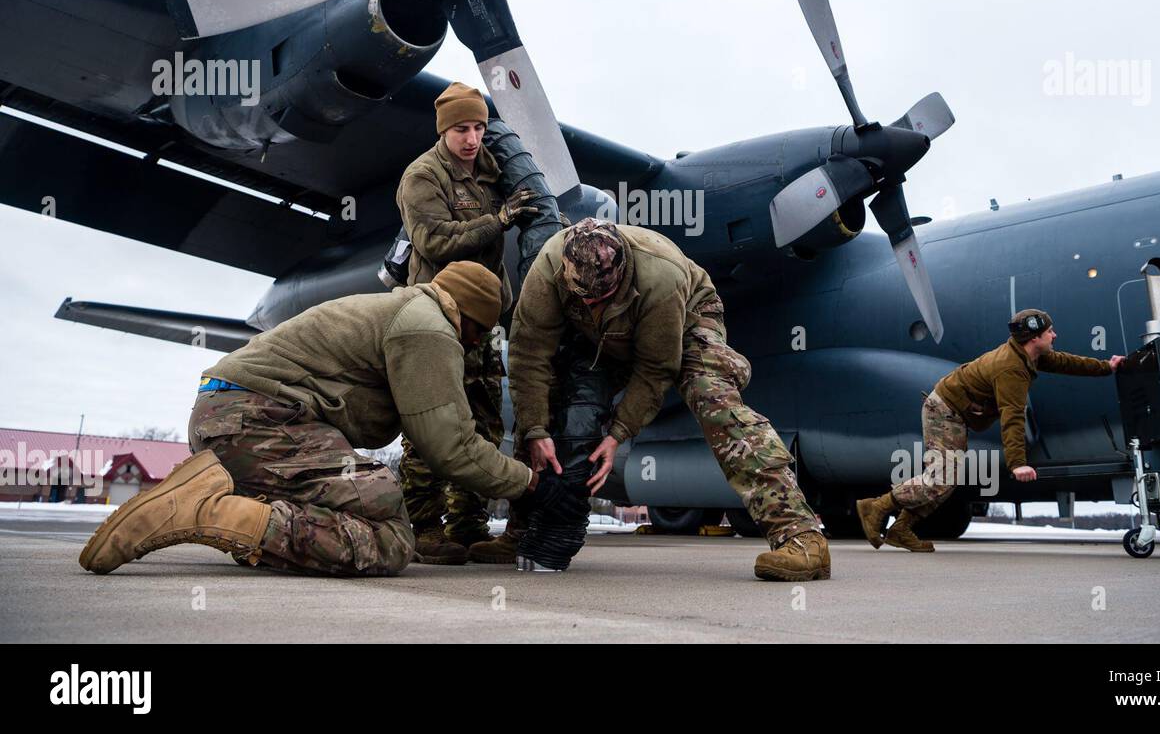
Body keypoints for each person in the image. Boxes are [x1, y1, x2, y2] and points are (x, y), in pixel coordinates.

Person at [79, 262, 583, 577]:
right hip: (257, 420)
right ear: (472, 319)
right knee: (388, 533)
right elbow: (448, 445)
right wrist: (531, 487)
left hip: (232, 419)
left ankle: (235, 502)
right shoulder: (429, 331)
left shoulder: (402, 310)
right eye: (482, 335)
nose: (477, 347)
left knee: (361, 506)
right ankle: (211, 513)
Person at [508, 218, 831, 581]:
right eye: (583, 299)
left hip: (687, 318)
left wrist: (618, 434)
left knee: (712, 397)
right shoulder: (550, 267)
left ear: (622, 274)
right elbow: (528, 353)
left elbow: (655, 369)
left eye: (600, 300)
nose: (593, 306)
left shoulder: (660, 276)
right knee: (544, 403)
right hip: (591, 335)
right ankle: (523, 530)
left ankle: (799, 535)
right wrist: (536, 430)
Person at [394, 82, 539, 565]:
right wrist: (499, 220)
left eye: (479, 127)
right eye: (461, 129)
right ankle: (424, 527)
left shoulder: (491, 170)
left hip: (481, 318)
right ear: (443, 131)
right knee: (430, 419)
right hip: (434, 315)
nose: (472, 138)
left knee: (483, 419)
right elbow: (433, 241)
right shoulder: (421, 176)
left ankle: (470, 524)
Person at [856, 308, 1123, 552]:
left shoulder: (1028, 354)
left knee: (944, 480)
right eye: (1049, 332)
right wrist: (1017, 464)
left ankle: (900, 529)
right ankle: (876, 507)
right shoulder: (1011, 369)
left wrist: (1106, 368)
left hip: (957, 413)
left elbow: (1066, 362)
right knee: (941, 479)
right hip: (944, 410)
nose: (1055, 335)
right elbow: (1013, 416)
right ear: (1034, 339)